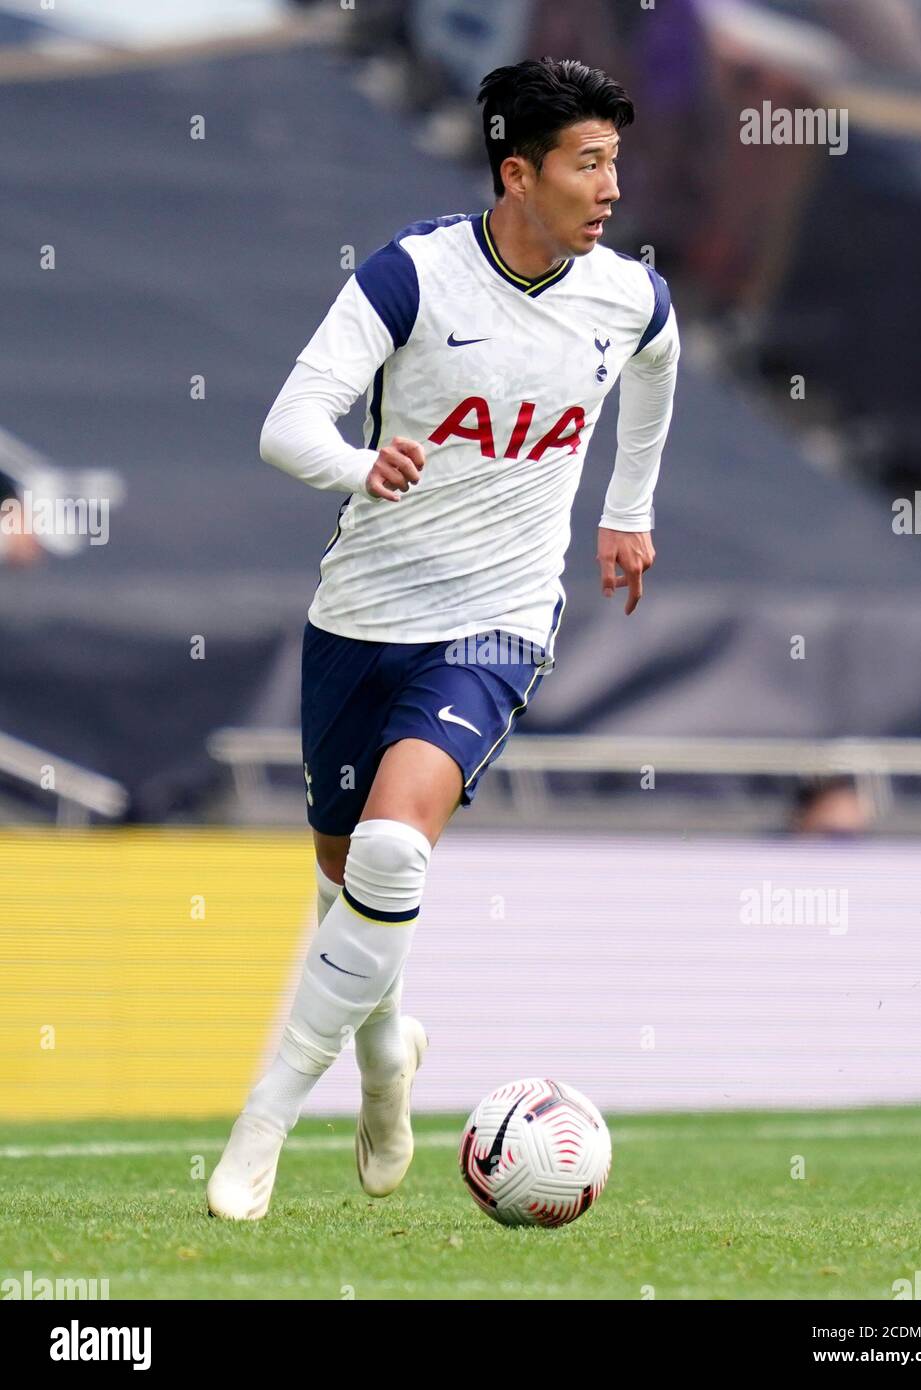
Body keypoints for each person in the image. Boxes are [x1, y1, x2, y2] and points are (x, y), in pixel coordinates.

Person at [207, 55, 681, 1220]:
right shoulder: (413, 276)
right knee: (346, 884)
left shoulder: (625, 294)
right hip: (360, 619)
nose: (608, 184)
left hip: (499, 624)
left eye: (614, 159)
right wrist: (362, 463)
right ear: (516, 171)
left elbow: (658, 361)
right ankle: (383, 1062)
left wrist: (626, 510)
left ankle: (261, 1123)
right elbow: (284, 426)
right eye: (585, 162)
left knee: (393, 856)